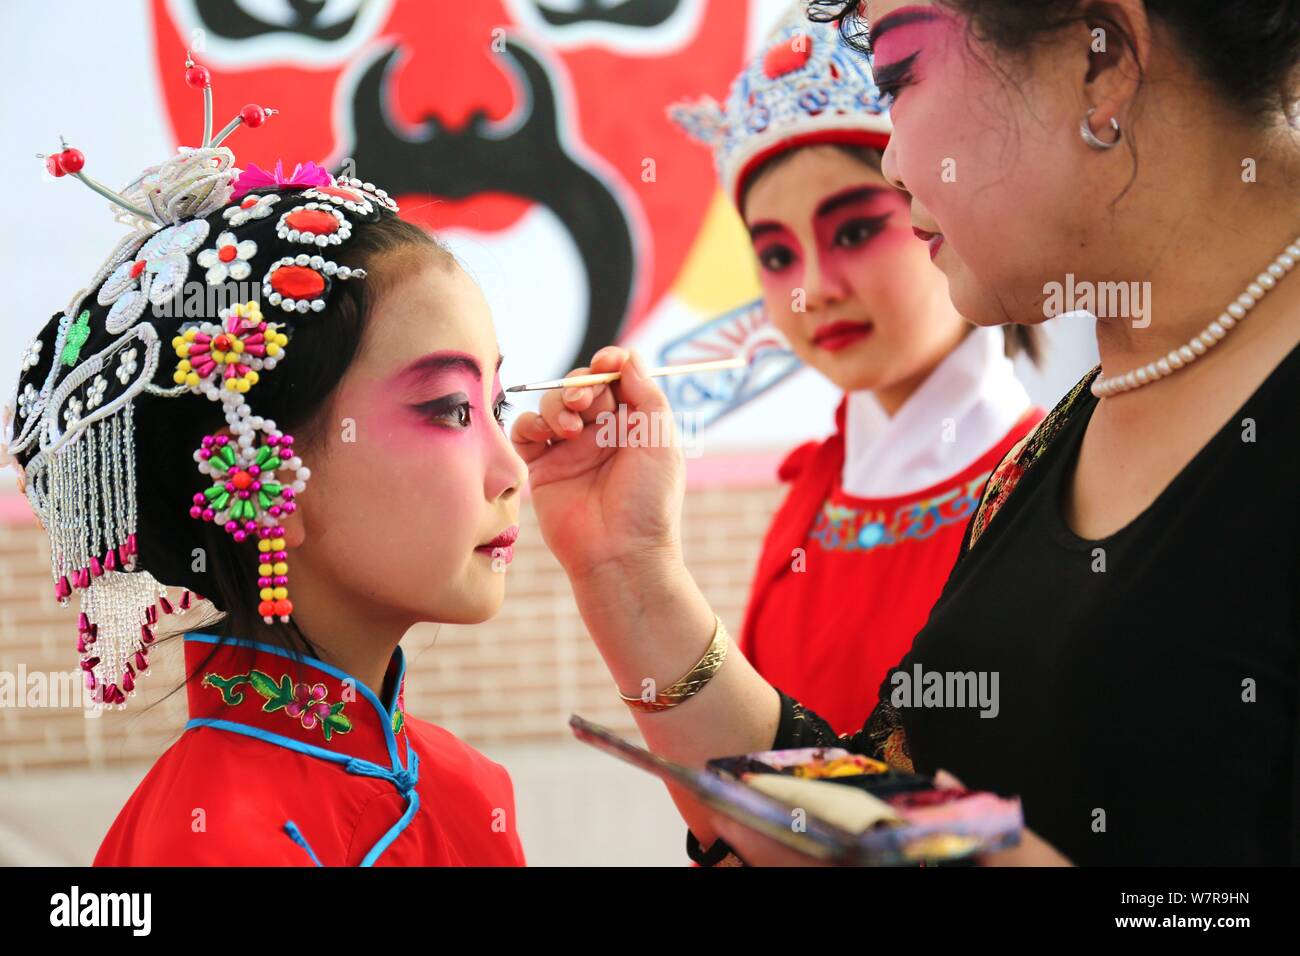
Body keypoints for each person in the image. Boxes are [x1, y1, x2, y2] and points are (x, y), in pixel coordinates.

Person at [512, 0, 1300, 866]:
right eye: (776, 253)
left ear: (1100, 59)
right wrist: (630, 572)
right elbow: (880, 798)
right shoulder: (1060, 448)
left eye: (897, 76)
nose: (894, 156)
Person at [4, 61, 526, 865]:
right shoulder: (215, 842)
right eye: (452, 410)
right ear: (268, 479)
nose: (512, 470)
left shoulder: (470, 790)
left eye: (498, 405)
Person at [671, 6, 1043, 735]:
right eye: (777, 254)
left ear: (943, 209)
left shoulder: (1050, 488)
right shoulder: (807, 504)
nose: (817, 286)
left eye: (855, 230)